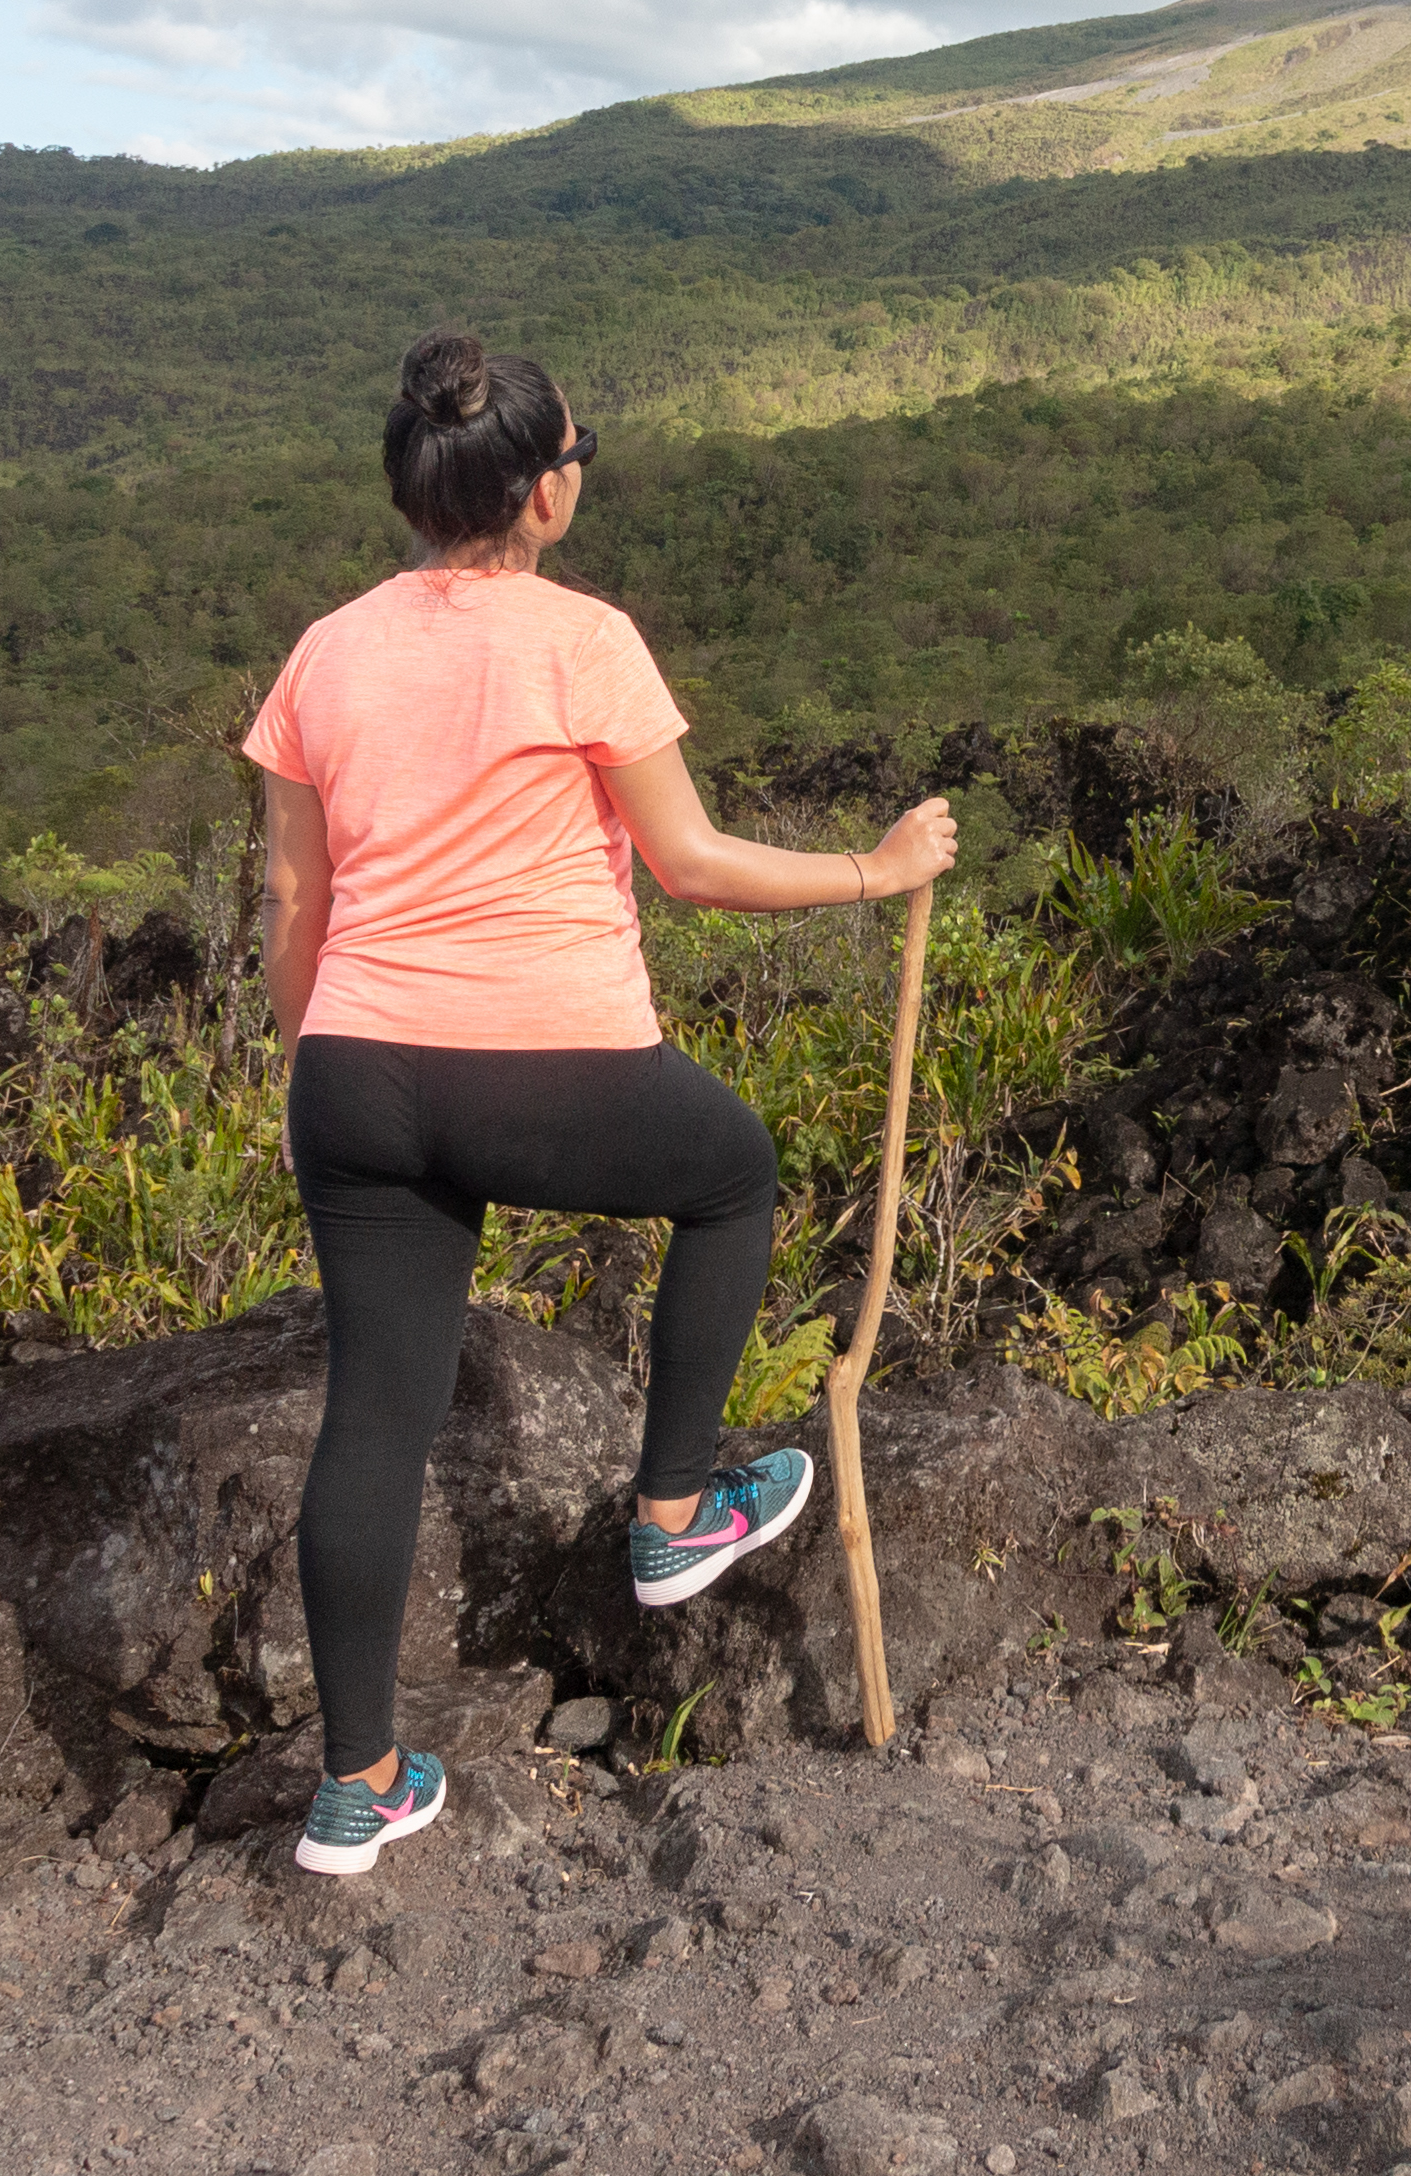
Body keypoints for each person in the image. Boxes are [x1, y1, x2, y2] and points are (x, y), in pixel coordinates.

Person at [243, 332, 956, 1878]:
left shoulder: (325, 652)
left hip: (360, 1071)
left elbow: (295, 895)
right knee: (732, 1173)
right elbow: (694, 867)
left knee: (375, 1413)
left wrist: (321, 1070)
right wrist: (876, 868)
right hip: (548, 1059)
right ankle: (678, 1509)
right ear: (544, 496)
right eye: (578, 459)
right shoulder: (587, 641)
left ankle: (356, 1787)